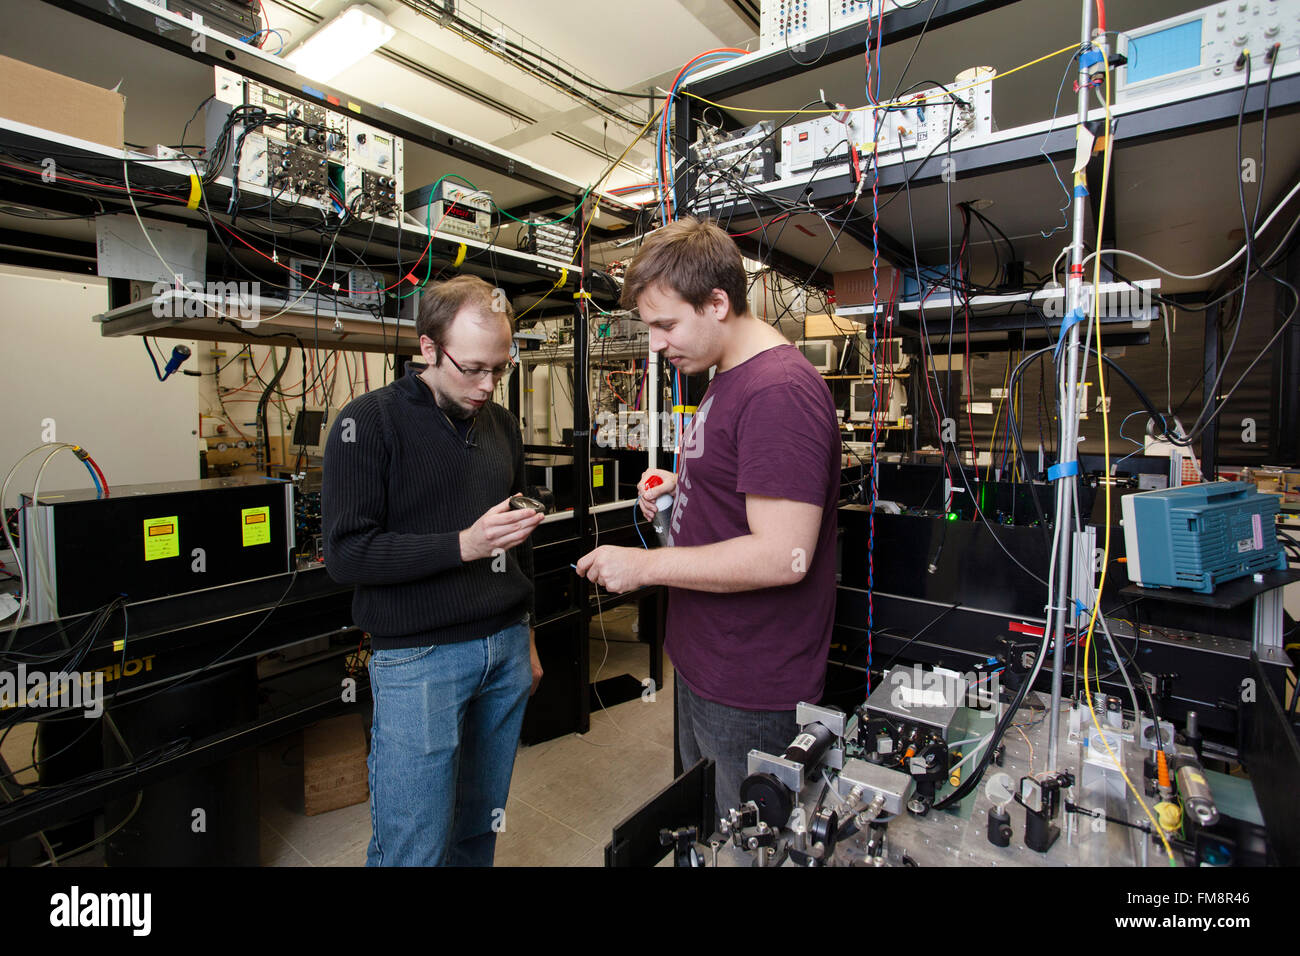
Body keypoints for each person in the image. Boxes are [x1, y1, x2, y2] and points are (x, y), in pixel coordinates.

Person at [575, 217, 843, 824]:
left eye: (666, 325)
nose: (658, 343)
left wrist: (646, 564)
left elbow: (783, 555)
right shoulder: (729, 375)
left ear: (718, 302)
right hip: (706, 659)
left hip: (750, 682)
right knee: (701, 834)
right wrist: (688, 486)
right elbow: (744, 492)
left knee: (745, 847)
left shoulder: (777, 391)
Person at [322, 274, 544, 867]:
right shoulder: (367, 423)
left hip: (503, 650)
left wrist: (527, 634)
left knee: (477, 829)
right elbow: (347, 555)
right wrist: (462, 546)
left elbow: (514, 538)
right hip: (419, 660)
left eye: (499, 369)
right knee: (413, 845)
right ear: (427, 348)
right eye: (472, 368)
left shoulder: (500, 424)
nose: (487, 386)